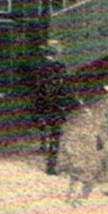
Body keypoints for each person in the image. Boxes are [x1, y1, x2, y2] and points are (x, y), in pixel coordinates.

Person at [27, 47, 77, 177]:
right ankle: (51, 166)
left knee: (43, 126)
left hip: (42, 105)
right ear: (55, 55)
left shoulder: (38, 67)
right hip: (56, 106)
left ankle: (43, 145)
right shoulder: (60, 67)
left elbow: (35, 87)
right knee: (56, 135)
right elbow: (65, 87)